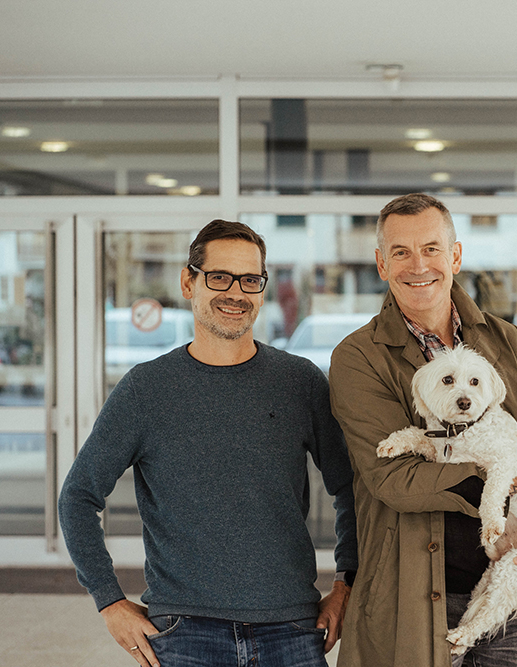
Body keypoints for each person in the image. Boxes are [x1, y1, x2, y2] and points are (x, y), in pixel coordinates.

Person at [59, 220, 358, 667]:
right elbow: (78, 497)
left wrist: (344, 585)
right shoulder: (146, 389)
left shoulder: (300, 383)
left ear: (262, 289)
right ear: (188, 281)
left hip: (292, 629)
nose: (235, 293)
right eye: (219, 277)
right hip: (184, 633)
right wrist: (109, 602)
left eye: (250, 280)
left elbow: (351, 488)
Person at [329, 193, 517, 666]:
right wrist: (511, 474)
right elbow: (394, 479)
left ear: (454, 255)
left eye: (431, 248)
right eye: (400, 252)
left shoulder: (507, 340)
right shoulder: (359, 357)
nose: (418, 265)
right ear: (381, 264)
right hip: (411, 602)